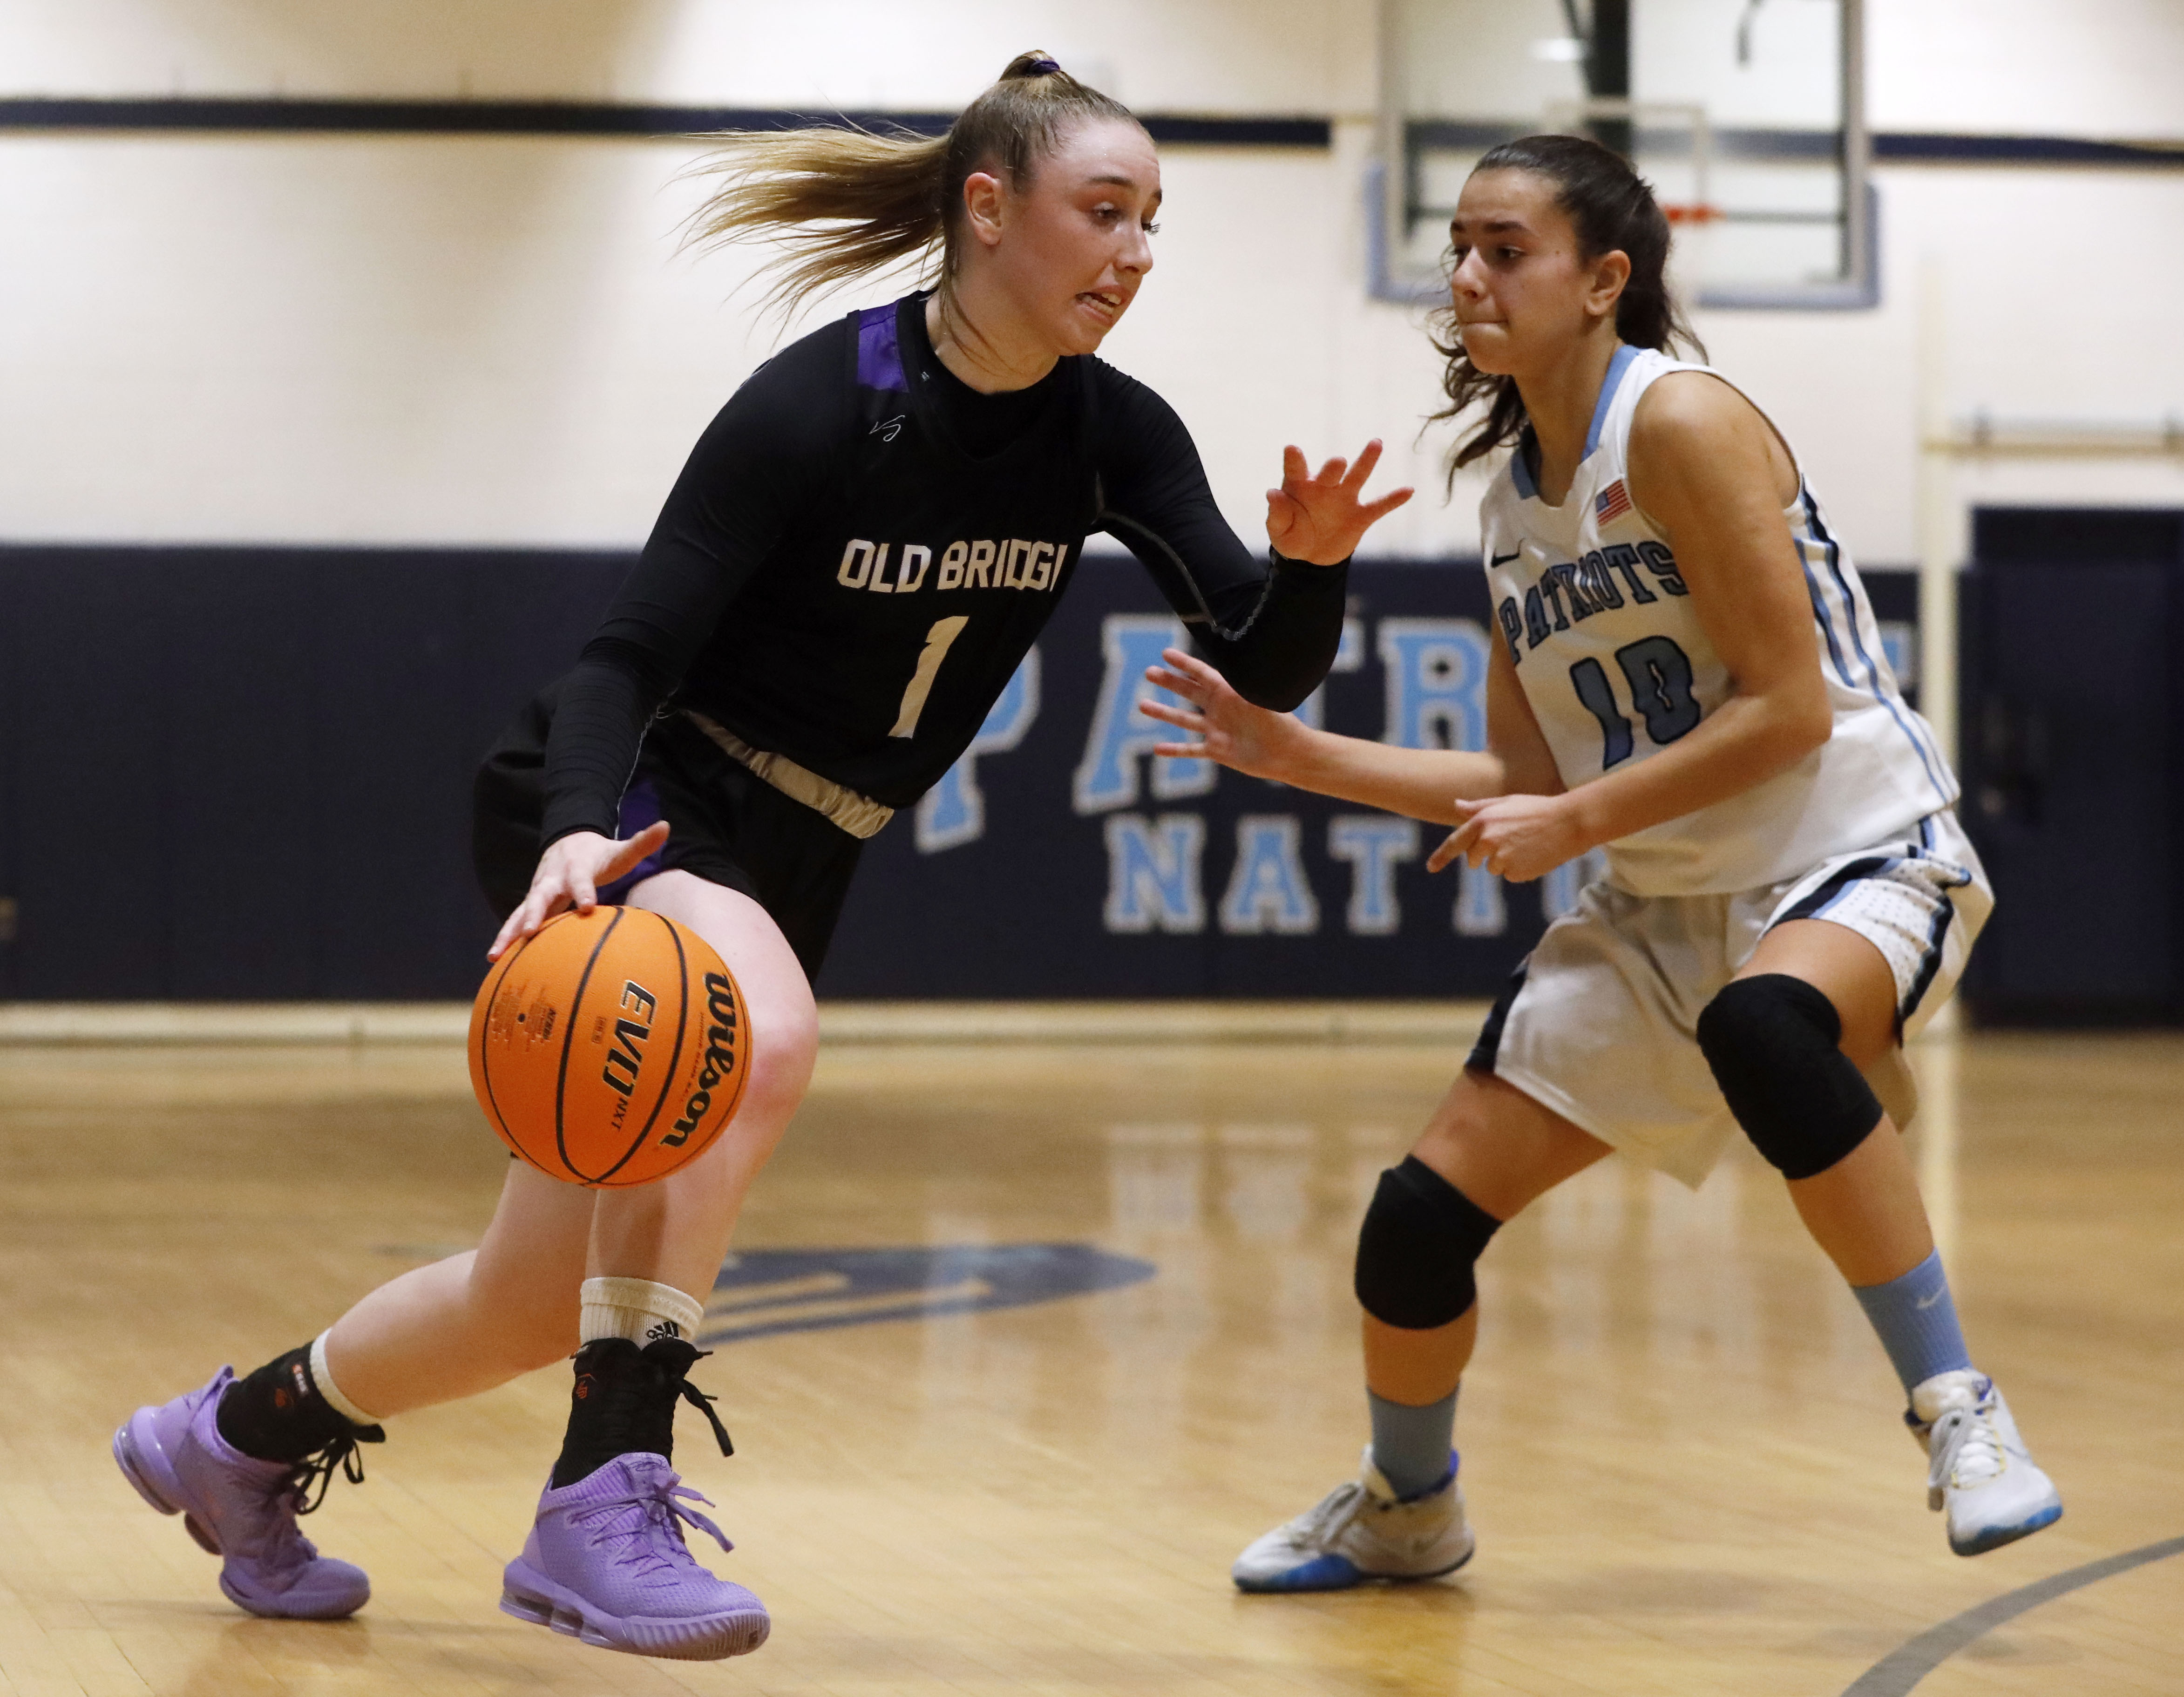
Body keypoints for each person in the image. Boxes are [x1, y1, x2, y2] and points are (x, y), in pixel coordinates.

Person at [111, 53, 1411, 1659]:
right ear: (988, 210)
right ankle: (603, 1497)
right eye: (1105, 211)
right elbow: (619, 658)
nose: (1137, 250)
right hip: (645, 800)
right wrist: (581, 831)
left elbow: (1265, 660)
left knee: (532, 1296)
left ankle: (228, 1437)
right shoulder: (824, 402)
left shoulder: (1110, 434)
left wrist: (1314, 569)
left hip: (801, 847)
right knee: (760, 1039)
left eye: (1155, 220)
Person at [1138, 133, 2062, 1594]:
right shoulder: (1514, 502)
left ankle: (1962, 1411)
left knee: (1770, 1026)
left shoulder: (1680, 420)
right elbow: (1522, 777)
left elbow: (1788, 707)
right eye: (1459, 247)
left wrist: (1577, 822)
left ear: (1604, 279)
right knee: (1414, 1225)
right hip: (1662, 901)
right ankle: (1407, 1502)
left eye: (1506, 248)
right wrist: (1292, 751)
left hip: (1852, 845)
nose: (1467, 276)